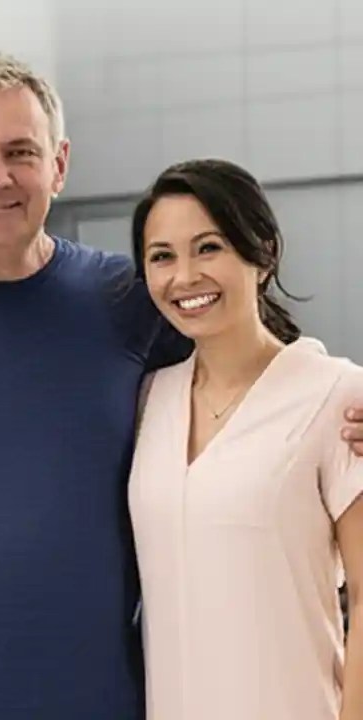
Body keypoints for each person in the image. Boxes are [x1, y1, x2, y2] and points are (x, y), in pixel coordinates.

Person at [0, 52, 363, 720]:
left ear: (59, 165)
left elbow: (253, 377)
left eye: (21, 152)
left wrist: (343, 404)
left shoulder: (129, 301)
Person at [127, 158, 363, 720]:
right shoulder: (147, 401)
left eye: (208, 247)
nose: (184, 277)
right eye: (162, 256)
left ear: (262, 254)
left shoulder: (336, 396)